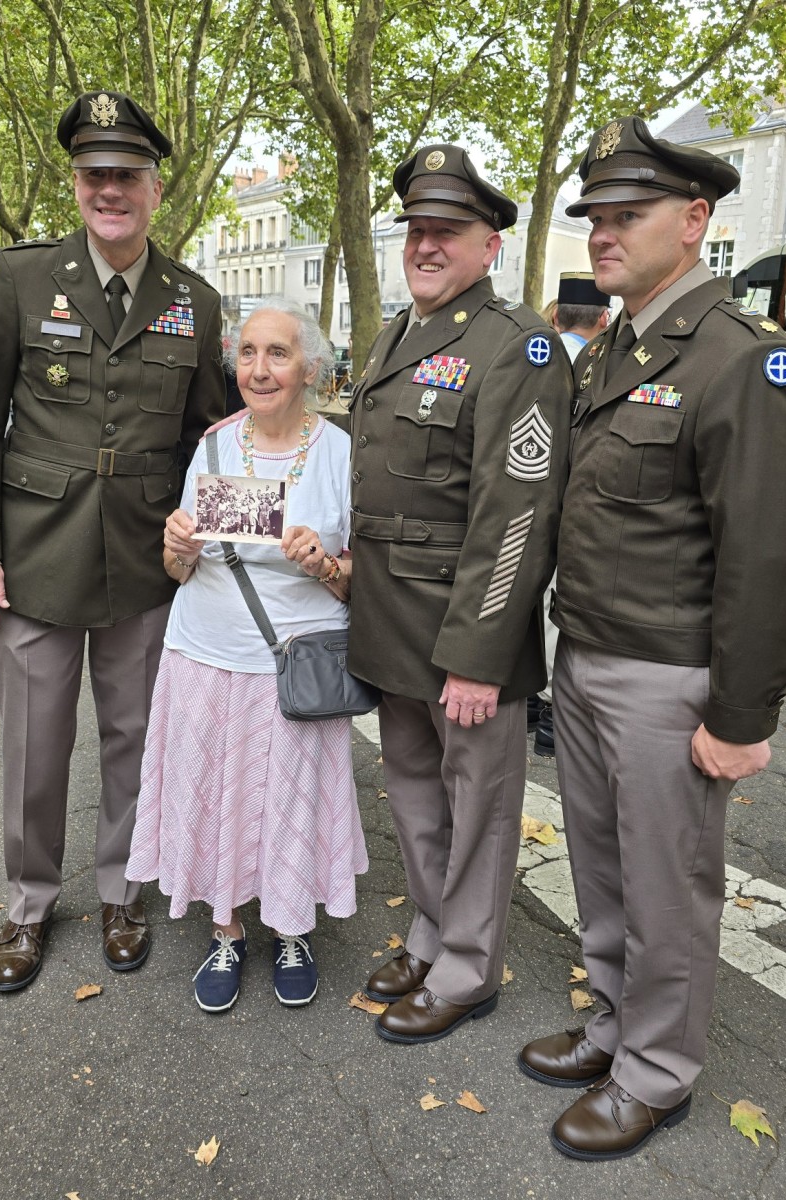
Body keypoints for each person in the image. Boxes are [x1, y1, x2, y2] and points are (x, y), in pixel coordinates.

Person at [517, 116, 786, 1161]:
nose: (604, 234)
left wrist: (741, 719)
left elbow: (768, 560)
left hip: (671, 680)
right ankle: (615, 1024)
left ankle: (658, 1070)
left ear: (694, 222)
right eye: (595, 217)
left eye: (628, 215)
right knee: (602, 871)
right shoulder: (616, 347)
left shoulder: (745, 364)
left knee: (667, 885)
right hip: (593, 658)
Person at [0, 90, 225, 993]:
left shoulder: (195, 299)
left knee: (135, 738)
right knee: (34, 742)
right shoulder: (20, 279)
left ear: (154, 190)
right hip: (35, 552)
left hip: (146, 561)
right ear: (75, 185)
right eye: (95, 175)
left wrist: (209, 539)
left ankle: (122, 890)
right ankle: (29, 905)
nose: (111, 190)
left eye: (128, 176)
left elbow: (208, 441)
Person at [348, 145, 572, 1043]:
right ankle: (433, 935)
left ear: (491, 245)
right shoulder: (398, 333)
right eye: (417, 229)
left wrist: (481, 655)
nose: (427, 244)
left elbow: (518, 515)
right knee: (413, 790)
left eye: (448, 231)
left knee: (476, 808)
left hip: (461, 630)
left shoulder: (519, 344)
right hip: (389, 619)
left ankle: (470, 967)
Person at [127, 300, 366, 1012]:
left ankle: (291, 927)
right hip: (203, 653)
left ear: (311, 369)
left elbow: (364, 575)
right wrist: (177, 548)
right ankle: (225, 927)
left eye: (278, 354)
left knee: (291, 798)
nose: (259, 370)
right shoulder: (215, 446)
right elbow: (178, 569)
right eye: (249, 354)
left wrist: (325, 563)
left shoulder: (341, 452)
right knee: (216, 796)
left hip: (296, 660)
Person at [530, 272, 613, 757]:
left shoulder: (528, 352)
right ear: (604, 318)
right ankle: (550, 714)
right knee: (559, 603)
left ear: (557, 314)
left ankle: (526, 699)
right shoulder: (598, 364)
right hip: (573, 501)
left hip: (521, 499)